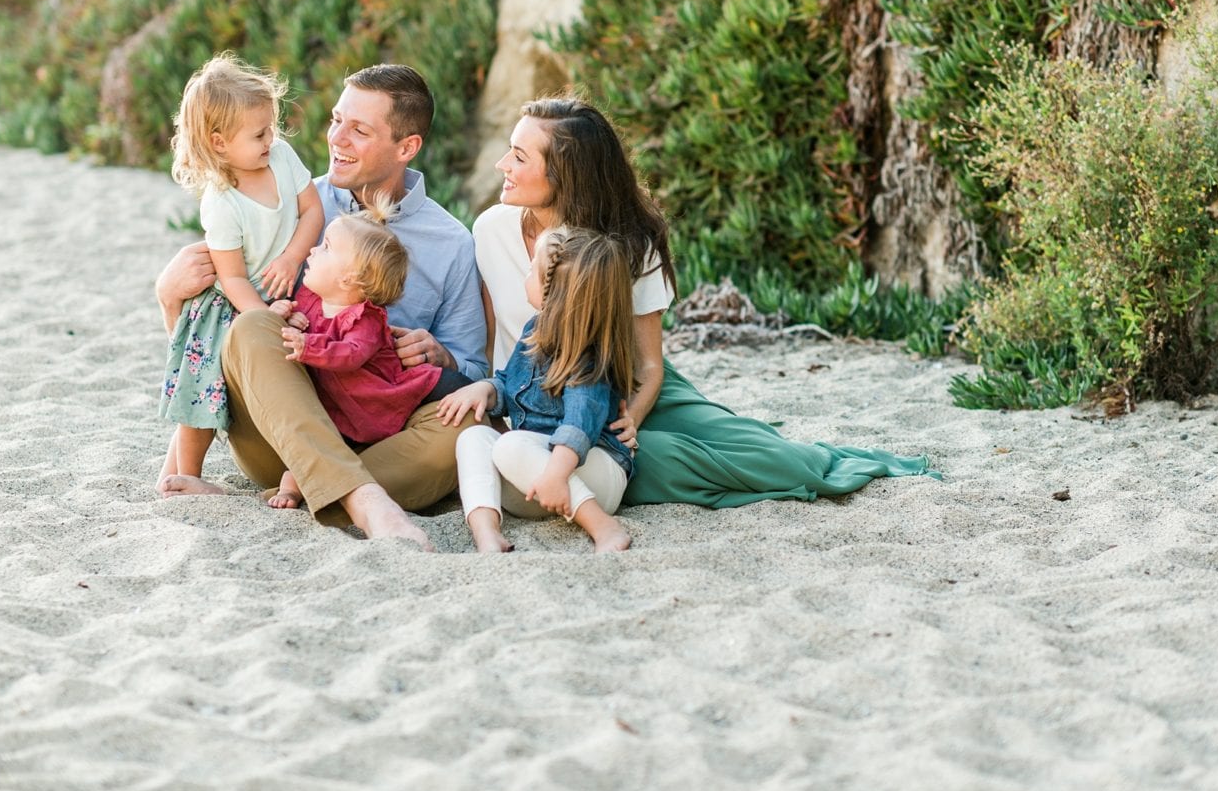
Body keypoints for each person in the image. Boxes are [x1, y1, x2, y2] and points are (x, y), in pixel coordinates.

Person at [472, 97, 938, 508]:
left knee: (766, 456)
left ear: (565, 174)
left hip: (627, 386)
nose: (500, 166)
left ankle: (845, 461)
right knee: (686, 470)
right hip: (540, 394)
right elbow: (496, 338)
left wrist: (629, 420)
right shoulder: (491, 230)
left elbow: (649, 366)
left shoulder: (631, 242)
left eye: (518, 156)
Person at [155, 64, 487, 548]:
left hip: (381, 430)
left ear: (406, 147)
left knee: (471, 423)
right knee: (252, 328)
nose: (337, 138)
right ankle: (363, 499)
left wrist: (443, 354)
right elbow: (207, 344)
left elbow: (473, 371)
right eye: (336, 120)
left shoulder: (452, 243)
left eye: (359, 130)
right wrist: (168, 296)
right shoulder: (281, 201)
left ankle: (319, 487)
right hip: (279, 438)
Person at [157, 54, 324, 490]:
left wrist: (291, 258)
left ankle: (171, 476)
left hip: (287, 283)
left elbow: (312, 211)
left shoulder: (283, 157)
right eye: (258, 134)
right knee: (205, 389)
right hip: (231, 304)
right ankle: (185, 476)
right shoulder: (221, 201)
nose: (271, 139)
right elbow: (230, 278)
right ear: (218, 142)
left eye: (271, 128)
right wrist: (266, 317)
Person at [440, 227, 636, 554]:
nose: (526, 274)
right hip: (541, 479)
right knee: (473, 437)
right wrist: (486, 390)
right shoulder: (536, 329)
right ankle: (487, 533)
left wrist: (557, 475)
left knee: (510, 445)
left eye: (532, 269)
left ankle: (602, 526)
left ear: (552, 294)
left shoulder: (586, 360)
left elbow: (578, 425)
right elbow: (511, 381)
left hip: (591, 473)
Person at [270, 197, 472, 510]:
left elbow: (351, 354)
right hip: (338, 405)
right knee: (318, 450)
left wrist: (306, 345)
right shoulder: (310, 295)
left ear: (348, 277)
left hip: (377, 395)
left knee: (448, 386)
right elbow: (296, 321)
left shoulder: (366, 319)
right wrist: (285, 312)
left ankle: (483, 407)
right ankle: (294, 491)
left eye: (325, 247)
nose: (312, 250)